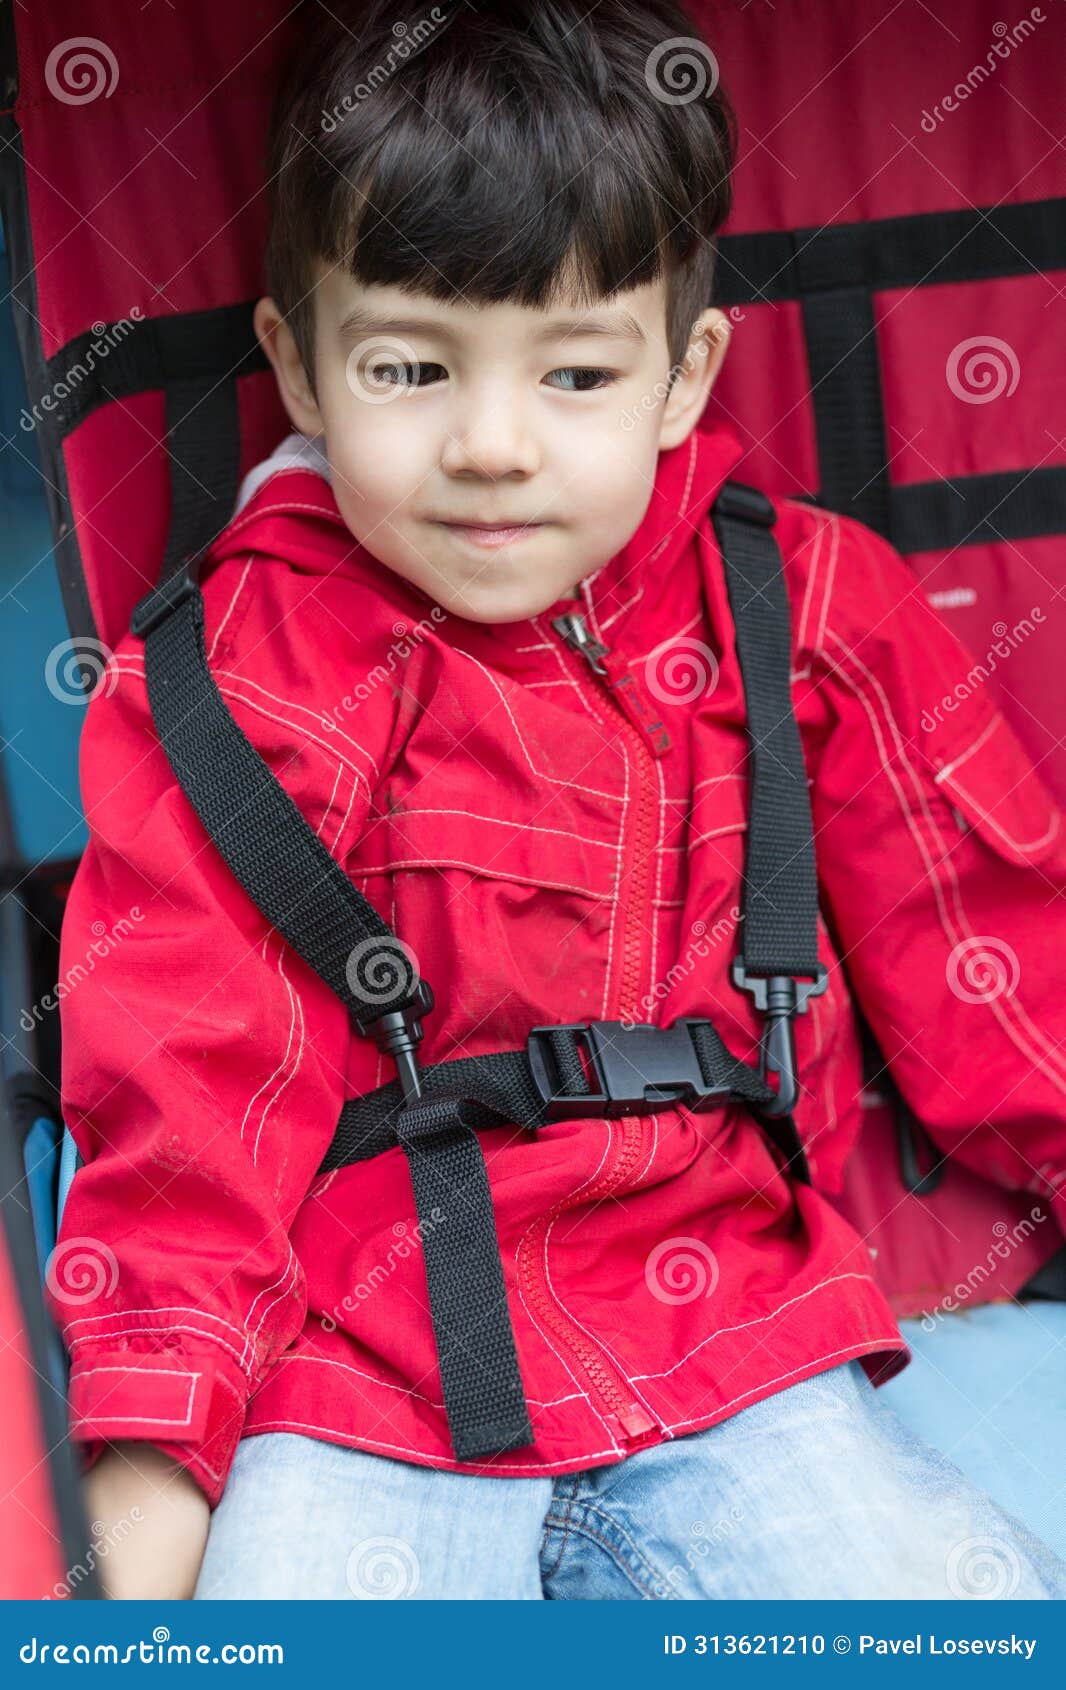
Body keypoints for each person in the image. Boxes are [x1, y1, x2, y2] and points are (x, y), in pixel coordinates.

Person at [52, 0, 1066, 1599]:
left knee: (948, 1603)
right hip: (347, 1363)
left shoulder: (801, 607)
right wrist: (140, 1518)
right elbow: (182, 1099)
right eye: (406, 364)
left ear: (683, 376)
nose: (493, 445)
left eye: (579, 370)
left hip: (733, 1334)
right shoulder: (233, 673)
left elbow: (1008, 975)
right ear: (297, 367)